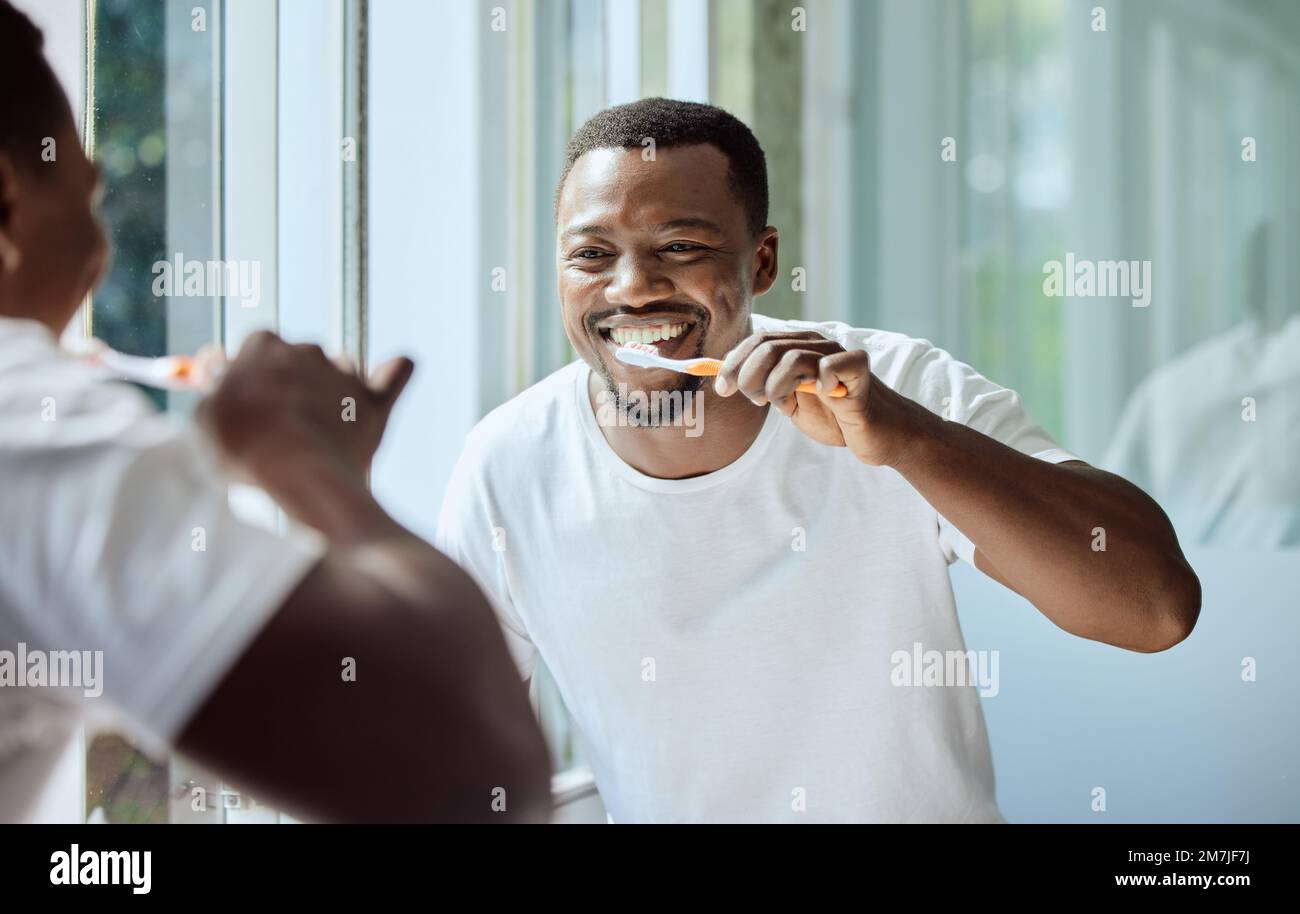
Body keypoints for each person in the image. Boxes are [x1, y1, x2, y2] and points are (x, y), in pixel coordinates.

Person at [435, 98, 1201, 823]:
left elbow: (1155, 610)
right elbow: (446, 762)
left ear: (762, 262)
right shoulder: (507, 467)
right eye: (592, 255)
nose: (631, 289)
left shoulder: (894, 385)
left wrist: (904, 437)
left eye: (680, 248)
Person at [0, 0, 550, 824]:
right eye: (89, 195)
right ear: (7, 198)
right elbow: (476, 775)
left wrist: (208, 457)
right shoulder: (27, 423)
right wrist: (315, 473)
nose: (99, 245)